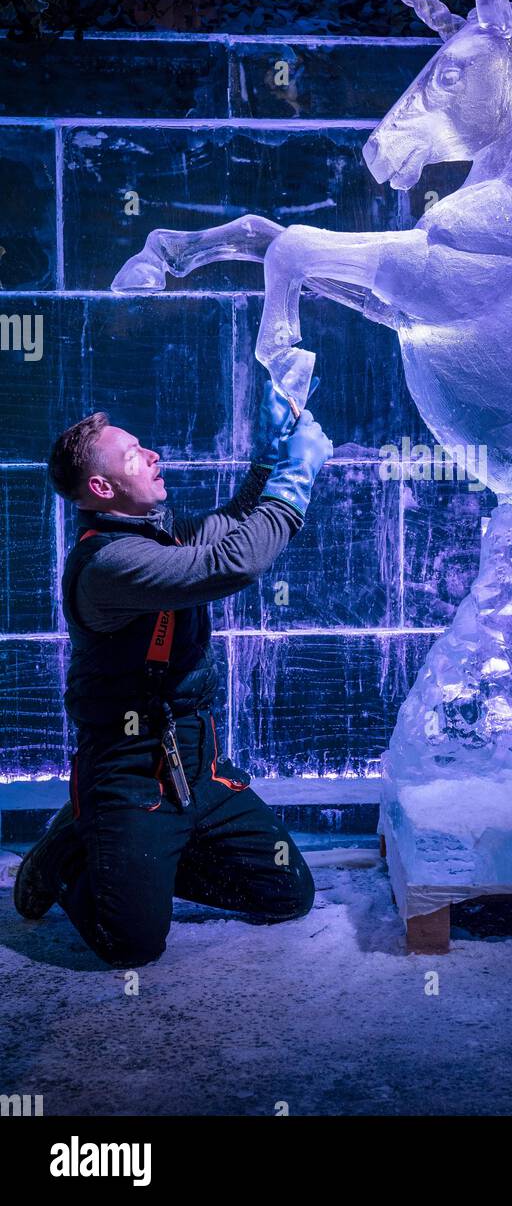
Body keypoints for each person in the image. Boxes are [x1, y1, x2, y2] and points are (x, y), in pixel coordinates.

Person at [13, 382, 332, 968]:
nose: (154, 454)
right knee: (132, 946)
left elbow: (233, 524)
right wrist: (294, 484)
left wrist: (267, 459)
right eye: (135, 453)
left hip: (197, 760)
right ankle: (72, 856)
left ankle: (136, 854)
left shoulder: (154, 537)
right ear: (103, 488)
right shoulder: (109, 563)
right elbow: (232, 560)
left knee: (286, 893)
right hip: (129, 769)